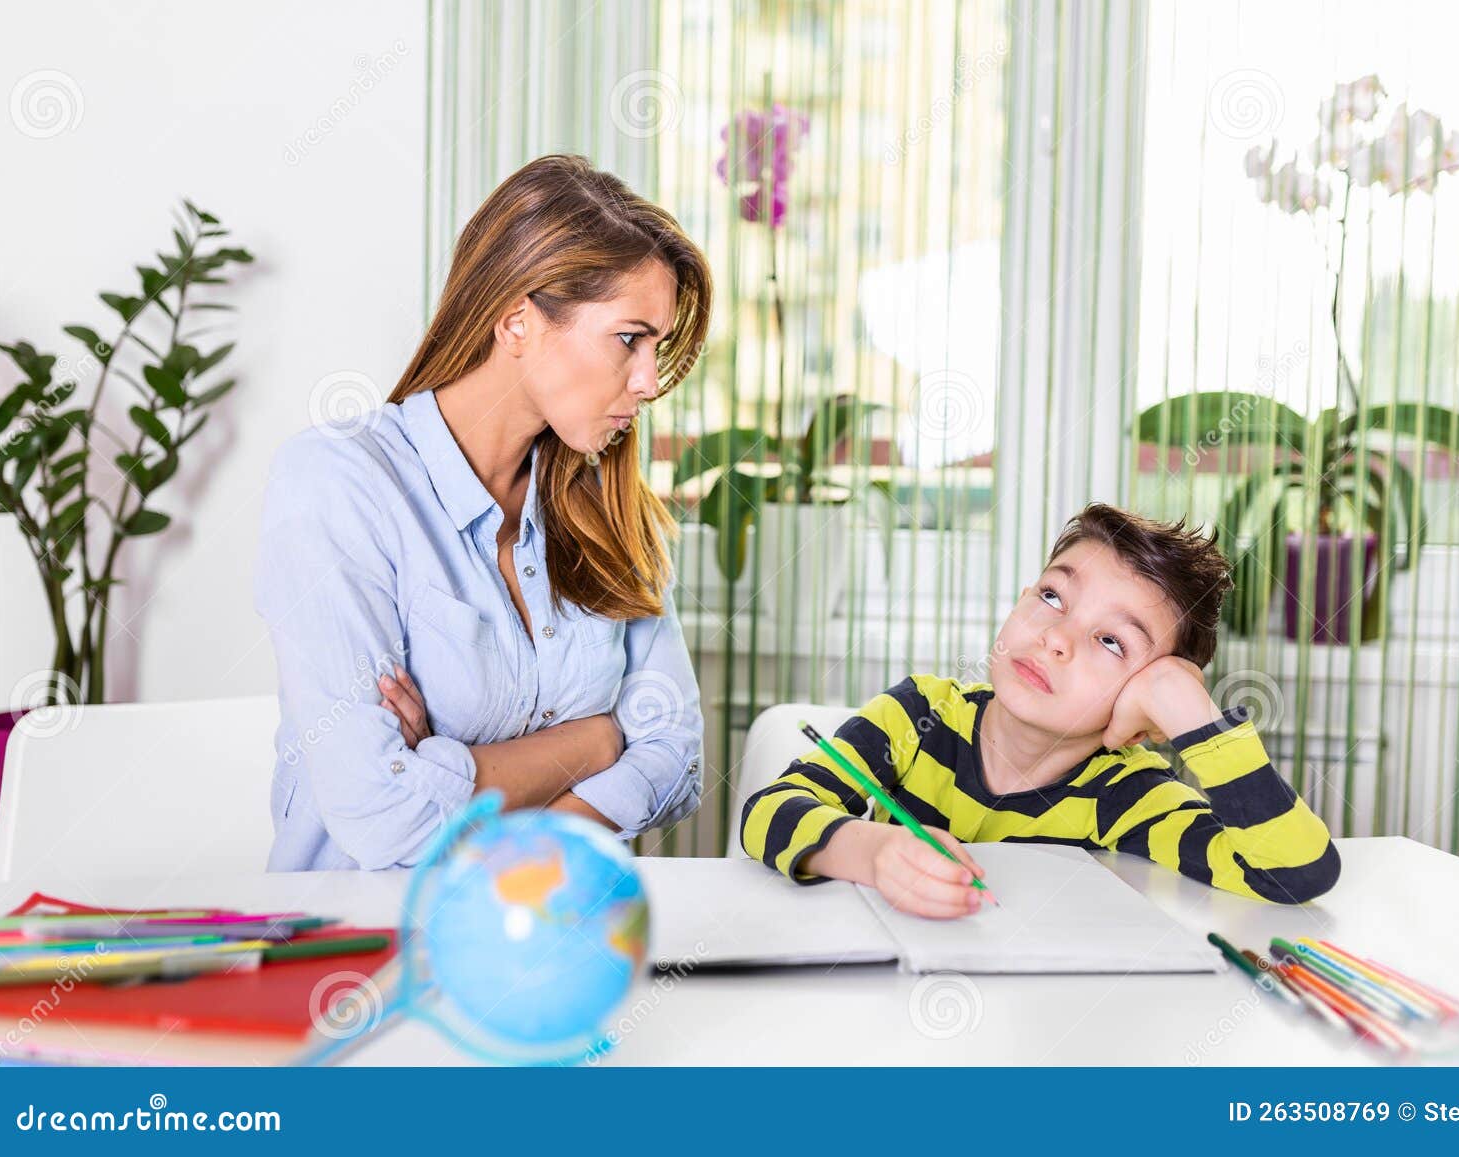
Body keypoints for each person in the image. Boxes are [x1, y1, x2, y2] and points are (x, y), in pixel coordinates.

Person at [256, 155, 711, 871]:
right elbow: (381, 813)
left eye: (657, 347)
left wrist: (457, 771)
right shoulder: (338, 484)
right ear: (516, 319)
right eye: (629, 338)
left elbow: (676, 753)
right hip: (357, 958)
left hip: (543, 943)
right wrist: (594, 742)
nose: (651, 381)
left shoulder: (608, 513)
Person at [741, 502, 1341, 915]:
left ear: (1144, 714)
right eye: (1053, 596)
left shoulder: (1125, 794)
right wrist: (871, 853)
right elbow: (768, 813)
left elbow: (1291, 873)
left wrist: (1188, 710)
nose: (1057, 637)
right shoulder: (919, 715)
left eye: (1112, 642)